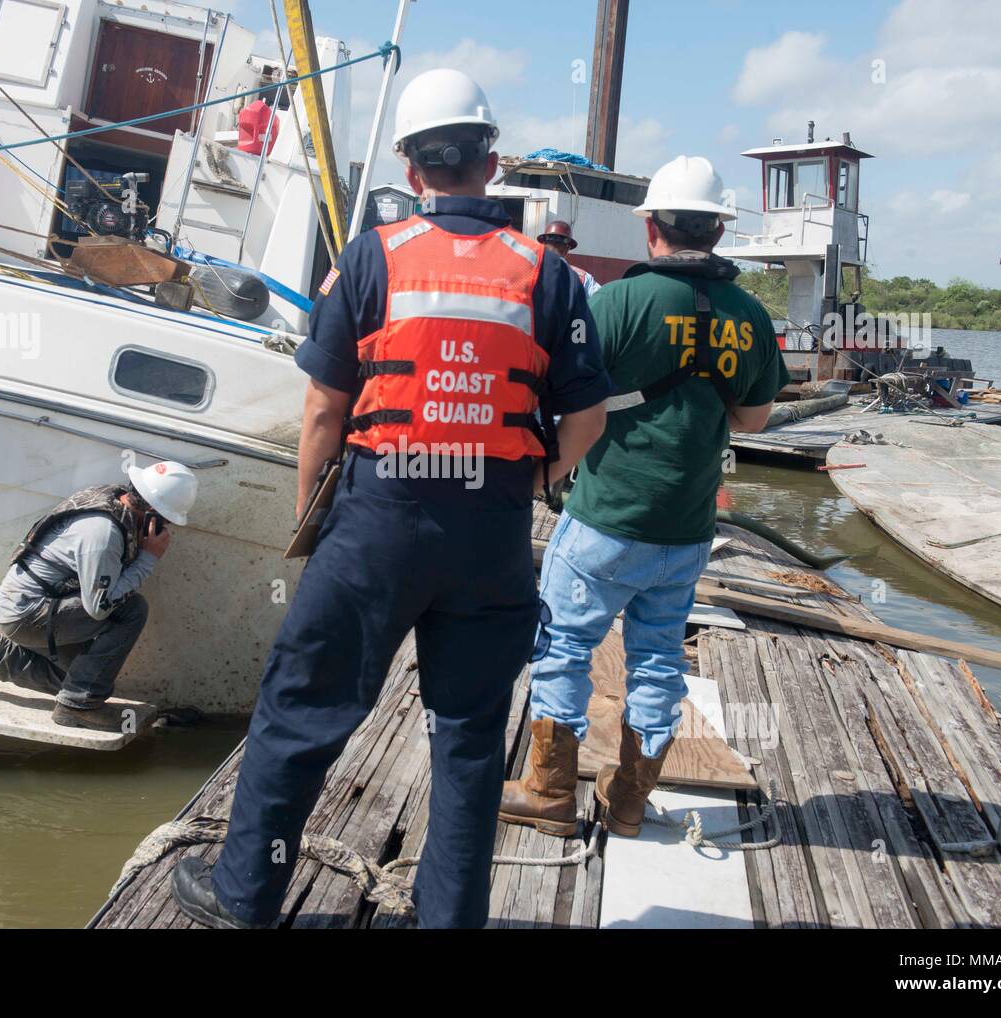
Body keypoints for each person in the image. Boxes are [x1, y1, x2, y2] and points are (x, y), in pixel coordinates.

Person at [170, 68, 611, 929]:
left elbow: (324, 410)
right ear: (490, 161)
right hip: (490, 530)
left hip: (379, 521)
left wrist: (312, 521)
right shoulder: (547, 275)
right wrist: (535, 480)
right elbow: (588, 416)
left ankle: (246, 897)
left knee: (302, 710)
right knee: (472, 739)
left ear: (412, 170)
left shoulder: (371, 258)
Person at [499, 155, 790, 838]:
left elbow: (560, 397)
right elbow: (752, 420)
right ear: (720, 228)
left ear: (651, 227)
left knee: (565, 647)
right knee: (658, 658)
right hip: (687, 532)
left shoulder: (617, 302)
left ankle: (548, 793)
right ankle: (628, 799)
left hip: (604, 519)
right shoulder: (750, 316)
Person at [0, 461, 198, 732]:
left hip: (32, 608)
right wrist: (148, 559)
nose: (166, 529)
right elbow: (99, 607)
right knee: (132, 610)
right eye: (165, 521)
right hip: (29, 614)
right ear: (152, 514)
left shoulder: (114, 501)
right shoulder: (103, 533)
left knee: (84, 677)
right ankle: (77, 707)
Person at [538, 219, 601, 297]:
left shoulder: (529, 270)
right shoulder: (583, 277)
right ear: (567, 249)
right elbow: (601, 300)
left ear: (543, 246)